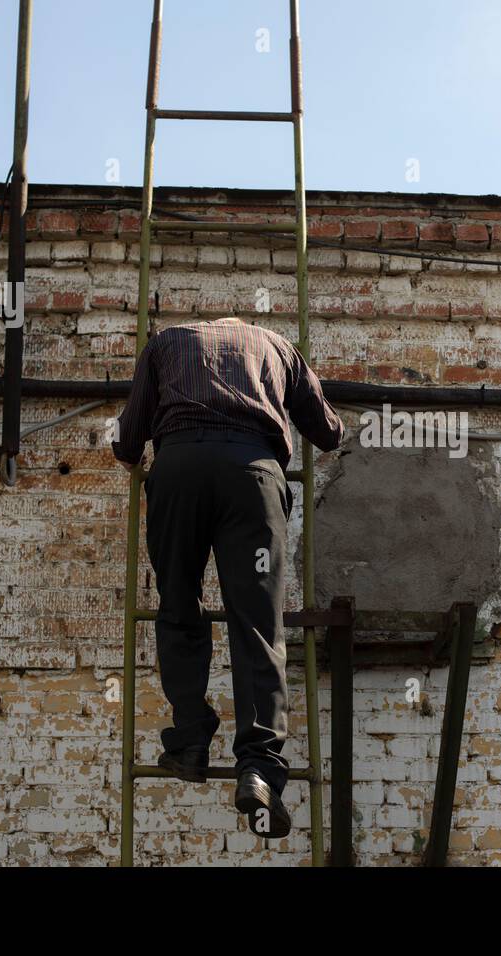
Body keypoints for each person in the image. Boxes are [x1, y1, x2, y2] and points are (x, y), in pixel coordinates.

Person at [112, 316, 344, 838]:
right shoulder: (280, 348)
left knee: (177, 606)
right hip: (253, 477)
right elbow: (328, 432)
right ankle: (259, 767)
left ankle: (191, 743)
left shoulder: (165, 343)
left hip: (178, 473)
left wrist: (134, 456)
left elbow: (128, 439)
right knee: (257, 623)